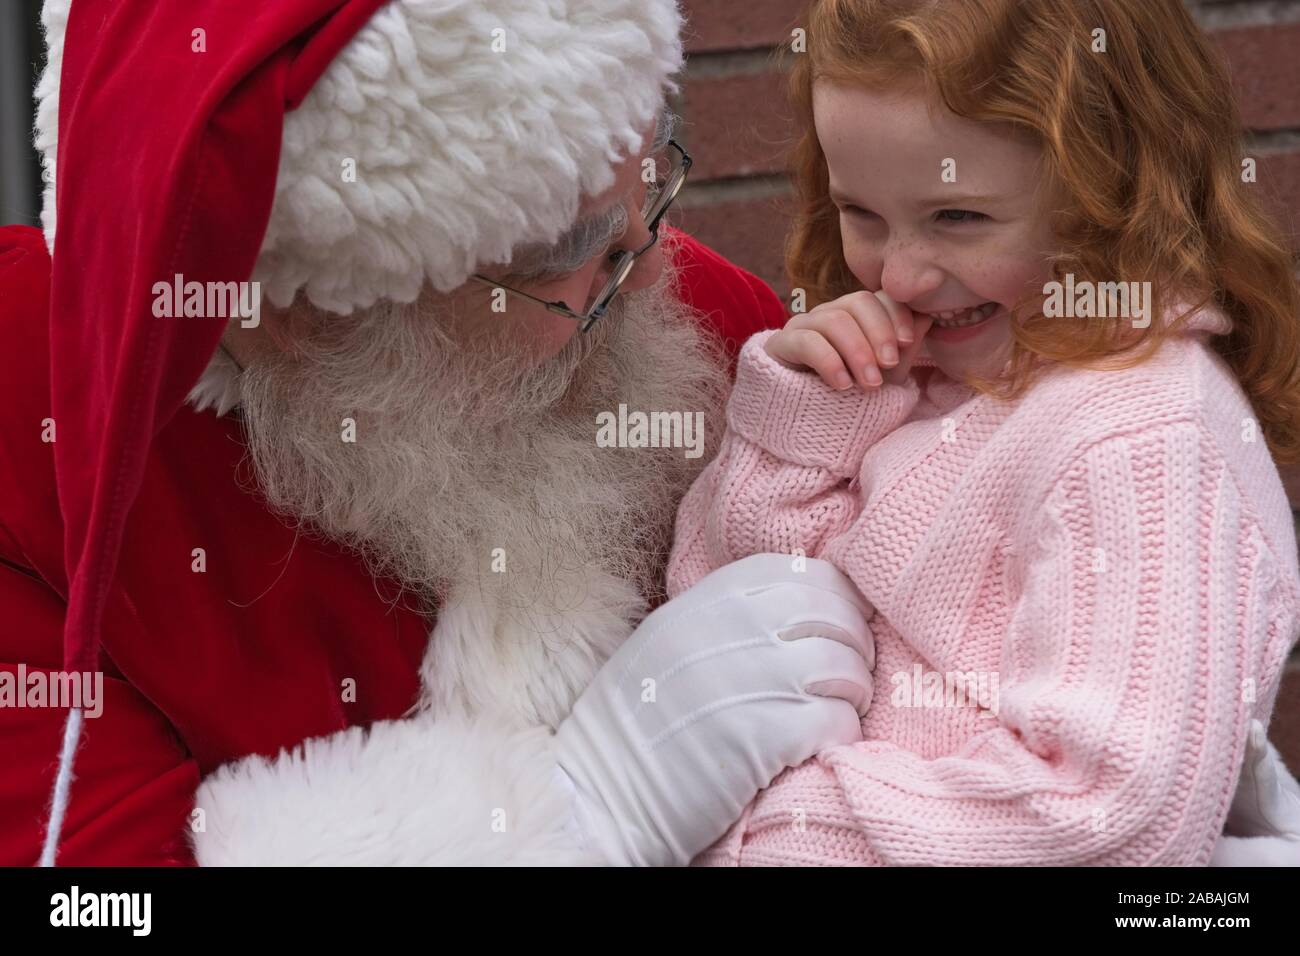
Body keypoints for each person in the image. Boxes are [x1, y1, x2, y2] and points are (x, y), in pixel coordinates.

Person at [1, 0, 875, 867]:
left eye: (654, 168)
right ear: (298, 313)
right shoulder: (22, 437)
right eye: (569, 254)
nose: (655, 272)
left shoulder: (711, 335)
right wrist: (582, 810)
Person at [666, 0, 1300, 865]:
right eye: (860, 212)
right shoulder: (929, 373)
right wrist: (801, 428)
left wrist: (744, 831)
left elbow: (1106, 821)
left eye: (957, 218)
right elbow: (720, 629)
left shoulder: (1141, 440)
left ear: (1112, 190)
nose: (900, 273)